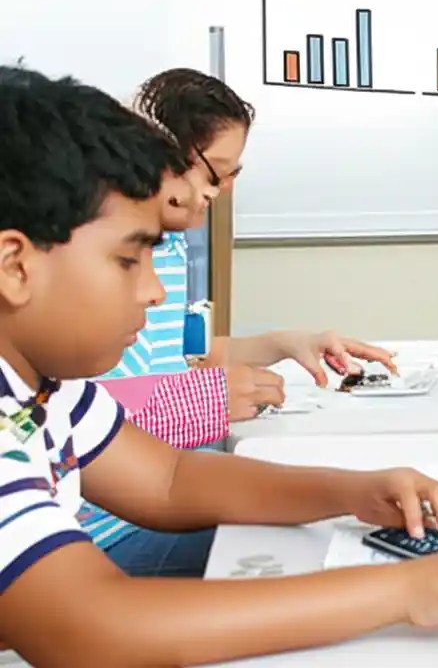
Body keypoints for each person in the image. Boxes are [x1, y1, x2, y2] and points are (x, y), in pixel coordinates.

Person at [0, 65, 438, 666]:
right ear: (15, 266)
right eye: (128, 261)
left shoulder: (45, 384)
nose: (155, 291)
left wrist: (356, 492)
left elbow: (168, 479)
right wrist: (412, 589)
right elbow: (92, 626)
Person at [83, 69, 399, 576]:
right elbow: (63, 416)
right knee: (305, 545)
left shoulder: (170, 250)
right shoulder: (86, 264)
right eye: (217, 173)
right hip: (107, 529)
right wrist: (190, 403)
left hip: (152, 490)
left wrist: (285, 342)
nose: (223, 190)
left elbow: (193, 355)